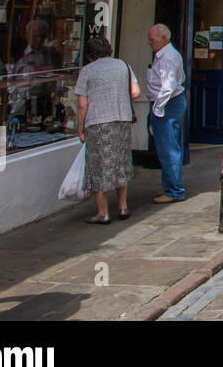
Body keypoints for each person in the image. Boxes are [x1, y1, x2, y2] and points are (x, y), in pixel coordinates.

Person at [73, 37, 140, 223]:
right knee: (121, 164)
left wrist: (80, 129)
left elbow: (82, 104)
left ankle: (103, 213)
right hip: (122, 120)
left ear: (89, 54)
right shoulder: (123, 66)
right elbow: (135, 92)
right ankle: (123, 207)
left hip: (98, 122)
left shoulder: (87, 71)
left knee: (98, 166)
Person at [146, 24, 187, 204]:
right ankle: (171, 186)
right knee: (171, 146)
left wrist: (157, 108)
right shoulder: (167, 55)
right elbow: (182, 78)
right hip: (171, 103)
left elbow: (168, 87)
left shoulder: (168, 57)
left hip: (167, 104)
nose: (149, 42)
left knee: (168, 148)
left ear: (164, 38)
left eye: (152, 39)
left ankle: (174, 191)